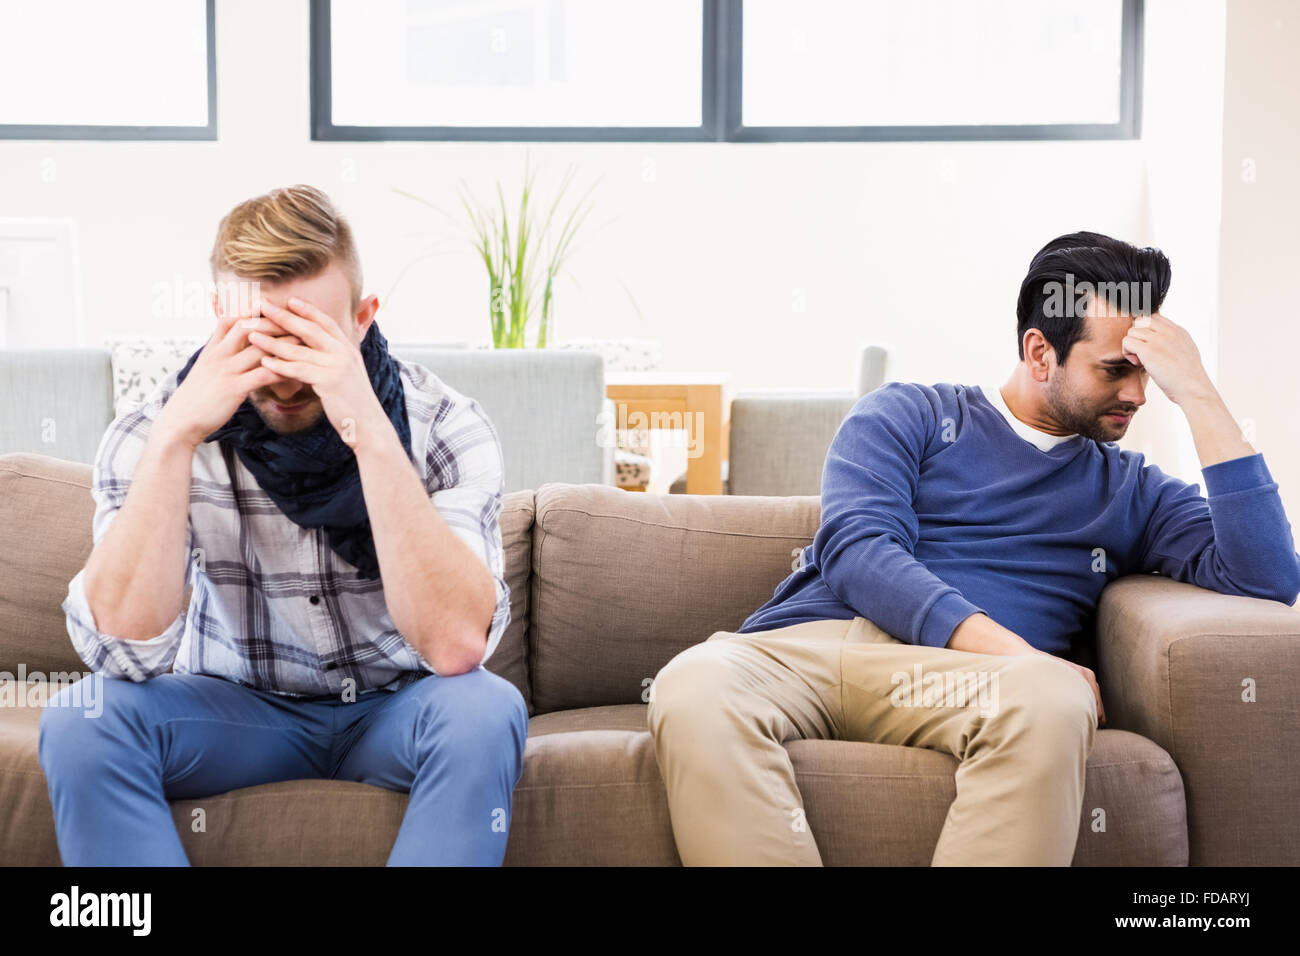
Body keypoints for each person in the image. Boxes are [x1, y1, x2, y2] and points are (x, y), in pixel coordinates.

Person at [647, 230, 1300, 866]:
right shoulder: (909, 415)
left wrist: (1200, 393)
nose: (1136, 394)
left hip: (962, 688)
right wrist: (1015, 653)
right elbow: (857, 549)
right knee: (693, 683)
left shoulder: (1134, 492)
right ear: (1040, 352)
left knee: (1053, 701)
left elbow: (1268, 577)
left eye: (1150, 374)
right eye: (1115, 370)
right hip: (806, 650)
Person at [39, 184, 527, 866]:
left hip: (395, 709)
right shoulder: (157, 429)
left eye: (309, 336)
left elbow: (454, 649)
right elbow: (124, 650)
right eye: (262, 334)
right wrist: (178, 435)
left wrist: (370, 432)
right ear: (218, 317)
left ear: (363, 320)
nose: (284, 373)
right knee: (81, 719)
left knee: (486, 708)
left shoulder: (444, 425)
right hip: (234, 711)